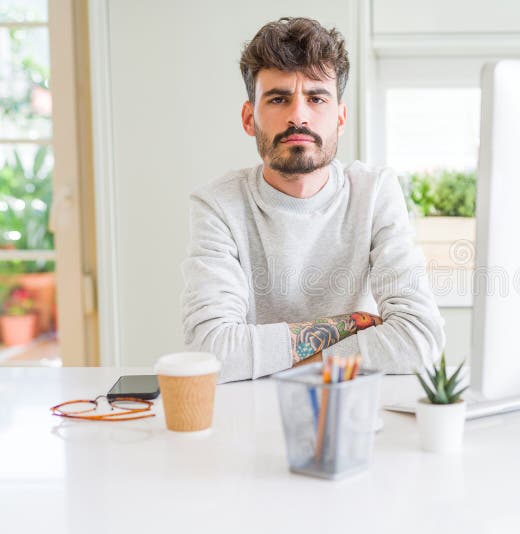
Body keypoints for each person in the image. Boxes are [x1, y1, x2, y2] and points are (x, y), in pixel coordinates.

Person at [181, 17, 445, 383]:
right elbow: (211, 351)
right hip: (253, 417)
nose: (298, 116)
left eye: (316, 98)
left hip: (351, 410)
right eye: (278, 99)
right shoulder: (218, 206)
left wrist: (270, 359)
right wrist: (348, 327)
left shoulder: (375, 192)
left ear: (340, 117)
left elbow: (420, 340)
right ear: (249, 118)